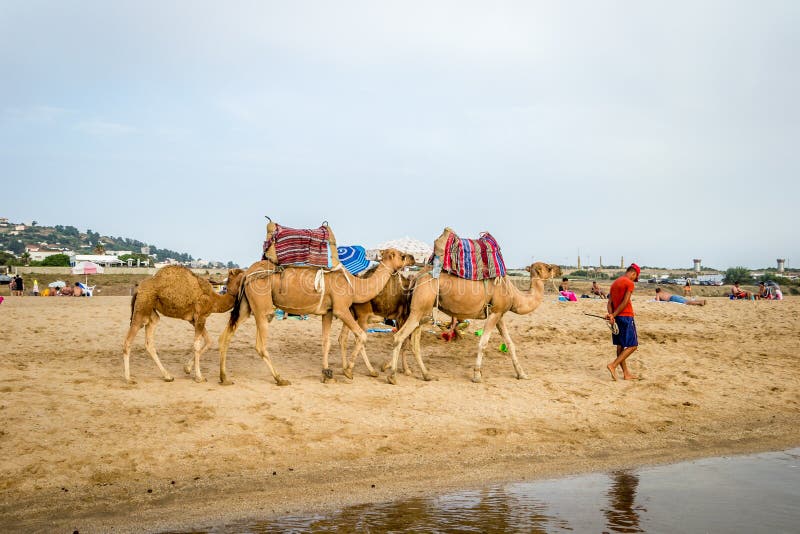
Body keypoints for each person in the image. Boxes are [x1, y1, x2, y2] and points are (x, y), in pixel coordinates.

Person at [605, 263, 640, 381]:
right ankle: (613, 365)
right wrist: (613, 315)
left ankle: (626, 373)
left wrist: (611, 315)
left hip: (617, 319)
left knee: (620, 346)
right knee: (633, 345)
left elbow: (609, 303)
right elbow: (625, 302)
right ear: (633, 273)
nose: (634, 280)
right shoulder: (629, 283)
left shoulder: (614, 283)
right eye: (635, 277)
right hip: (626, 317)